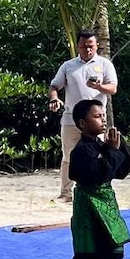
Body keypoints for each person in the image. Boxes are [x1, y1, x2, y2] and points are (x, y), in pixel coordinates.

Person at [58, 98, 130, 259]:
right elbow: (96, 174)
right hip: (89, 208)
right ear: (82, 123)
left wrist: (118, 146)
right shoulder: (81, 150)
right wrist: (110, 151)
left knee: (107, 254)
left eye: (103, 116)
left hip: (106, 205)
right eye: (97, 116)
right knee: (88, 256)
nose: (103, 120)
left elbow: (121, 171)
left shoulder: (101, 146)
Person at [48, 28, 118, 202]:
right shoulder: (68, 66)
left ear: (97, 45)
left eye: (90, 46)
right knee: (68, 156)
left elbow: (113, 88)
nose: (87, 49)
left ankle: (98, 190)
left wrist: (99, 87)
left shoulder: (105, 64)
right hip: (71, 119)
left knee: (98, 155)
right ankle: (66, 194)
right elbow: (54, 86)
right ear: (78, 46)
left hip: (96, 121)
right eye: (83, 46)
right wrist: (54, 99)